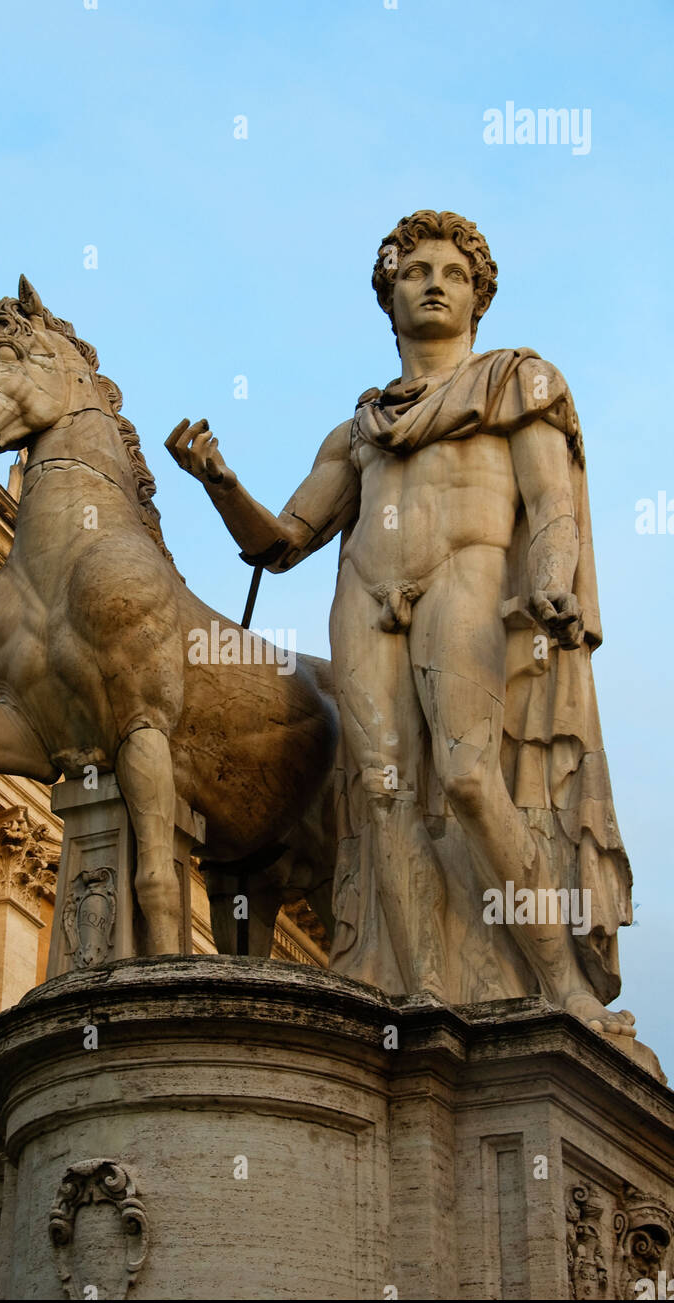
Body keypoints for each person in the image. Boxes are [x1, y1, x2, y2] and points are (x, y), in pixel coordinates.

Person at [166, 209, 644, 1054]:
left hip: (469, 576)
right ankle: (417, 998)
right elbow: (281, 543)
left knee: (465, 777)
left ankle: (560, 982)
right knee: (379, 794)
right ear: (388, 295)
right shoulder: (358, 430)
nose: (434, 284)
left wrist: (549, 581)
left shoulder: (515, 381)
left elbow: (553, 506)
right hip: (365, 594)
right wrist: (219, 481)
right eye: (416, 271)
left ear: (478, 298)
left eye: (453, 275)